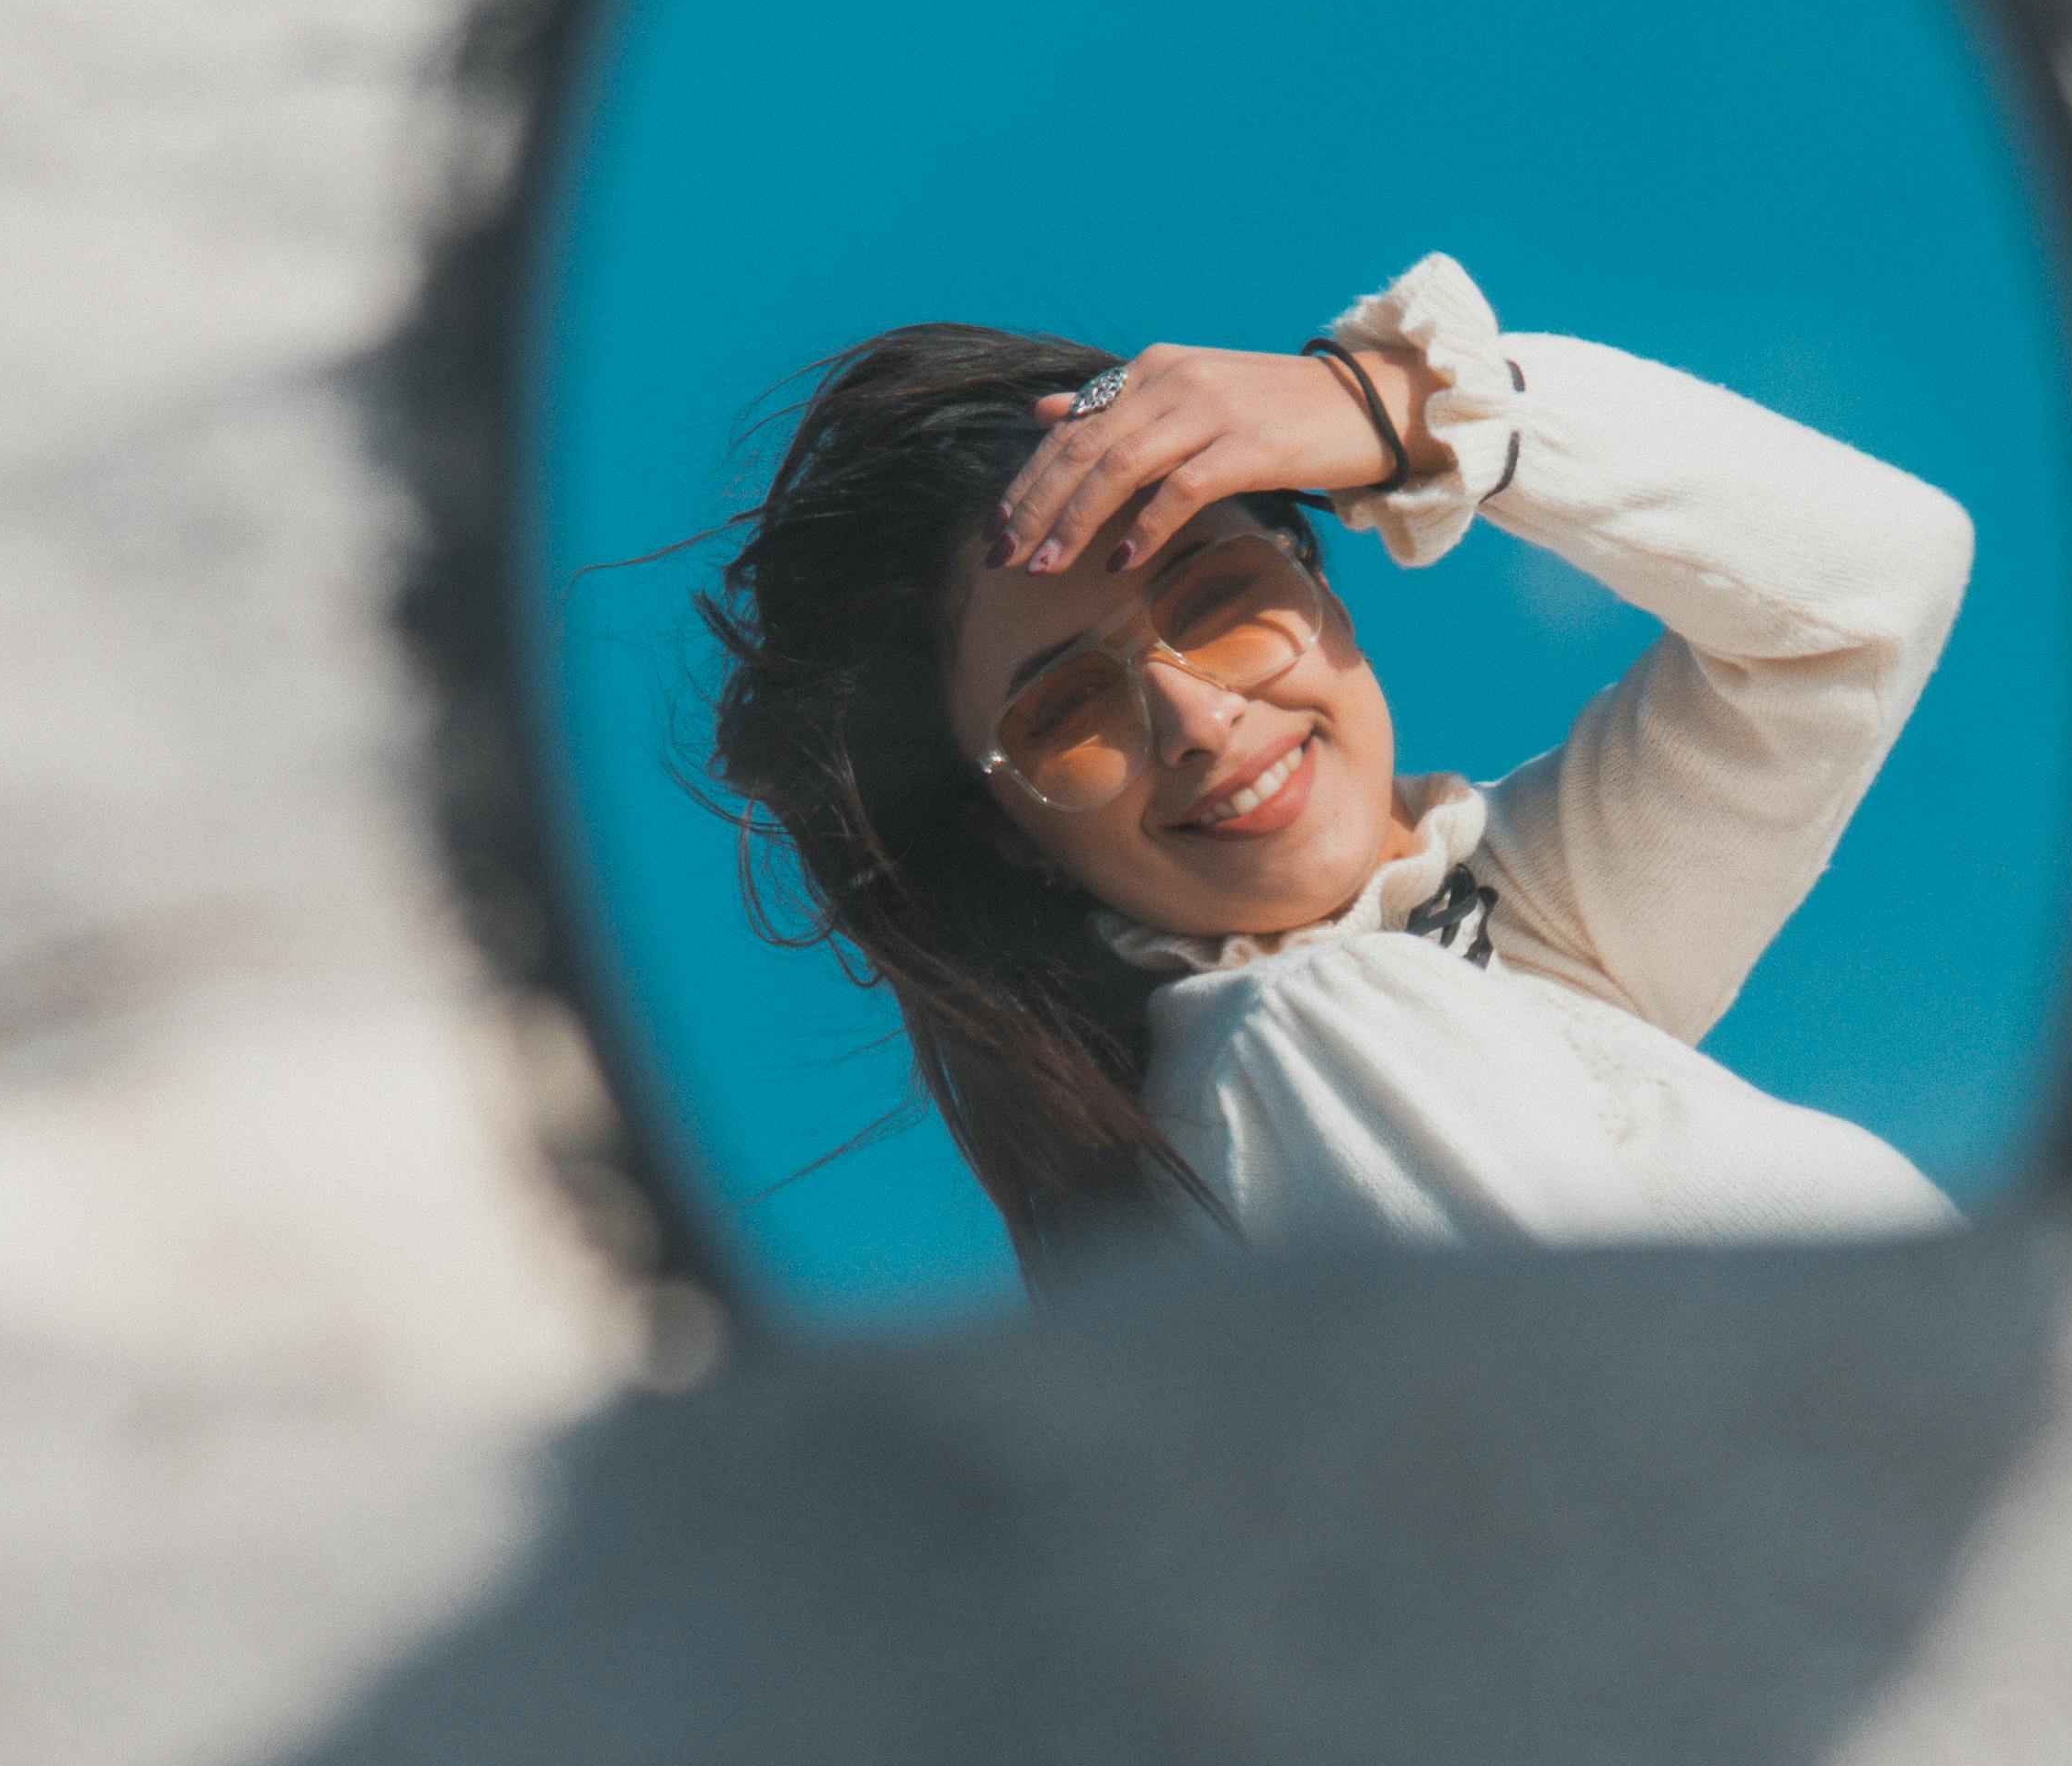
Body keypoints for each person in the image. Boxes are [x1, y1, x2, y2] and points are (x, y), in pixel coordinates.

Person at [702, 251, 1970, 1278]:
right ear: (1007, 827)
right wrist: (1402, 416)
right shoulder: (1304, 1038)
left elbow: (1873, 592)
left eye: (1219, 597)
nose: (1195, 719)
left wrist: (1405, 408)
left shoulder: (1513, 940)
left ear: (1326, 588)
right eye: (1068, 709)